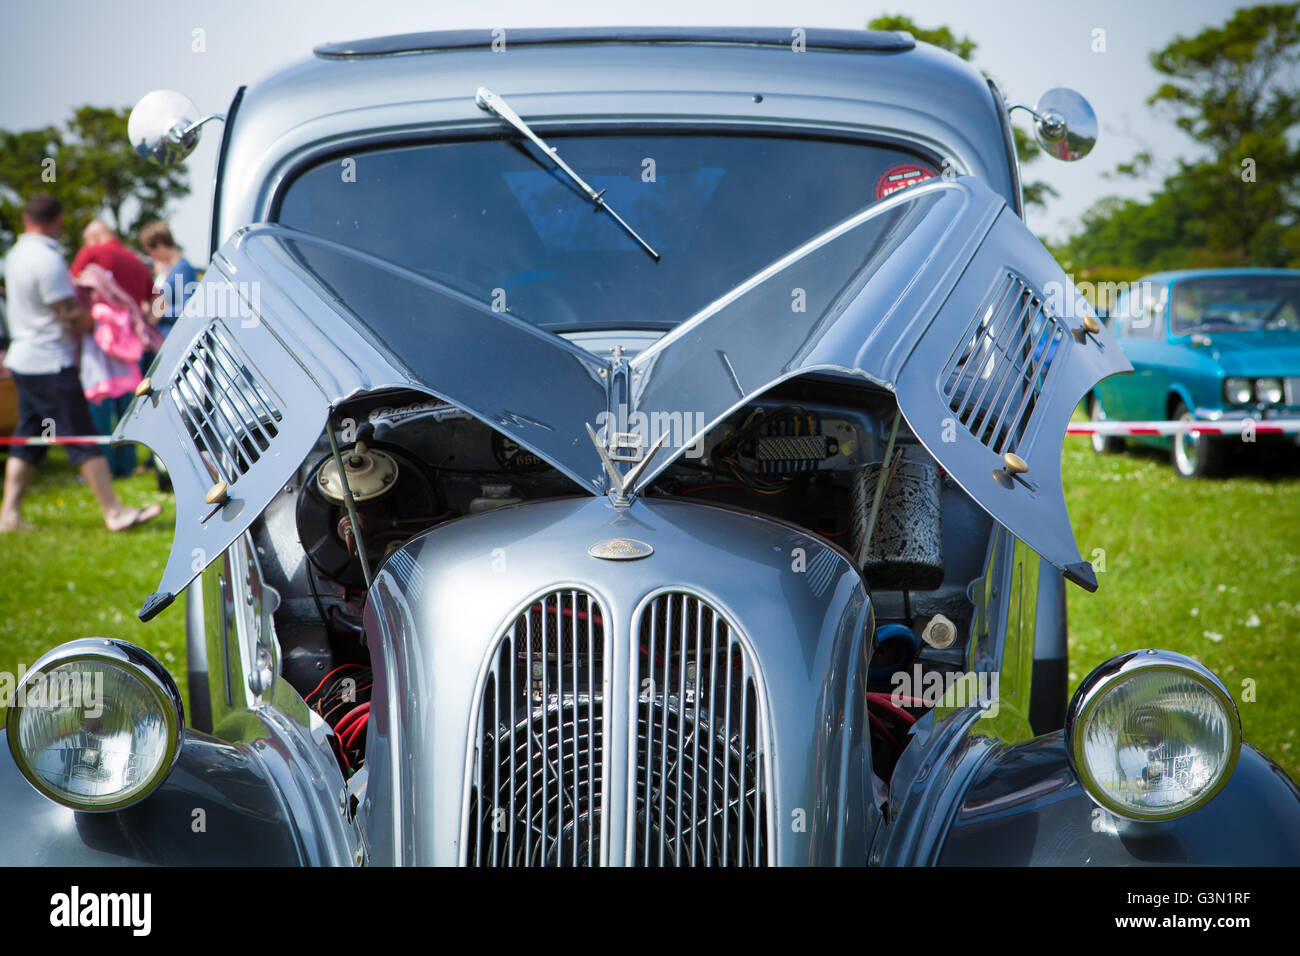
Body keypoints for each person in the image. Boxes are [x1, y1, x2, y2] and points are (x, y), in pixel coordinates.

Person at [0, 195, 162, 533]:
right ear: (56, 220)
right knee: (83, 435)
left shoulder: (13, 256)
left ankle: (9, 516)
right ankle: (114, 512)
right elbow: (70, 315)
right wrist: (101, 320)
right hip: (50, 362)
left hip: (24, 359)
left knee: (29, 436)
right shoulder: (47, 260)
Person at [72, 219, 158, 321]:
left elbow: (69, 286)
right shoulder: (138, 261)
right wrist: (146, 323)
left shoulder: (91, 253)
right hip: (136, 332)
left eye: (86, 241)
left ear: (94, 237)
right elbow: (159, 301)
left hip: (104, 330)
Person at [139, 220, 197, 337]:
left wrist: (160, 312)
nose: (151, 256)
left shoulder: (182, 269)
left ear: (160, 245)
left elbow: (187, 308)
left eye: (151, 251)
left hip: (173, 336)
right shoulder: (165, 269)